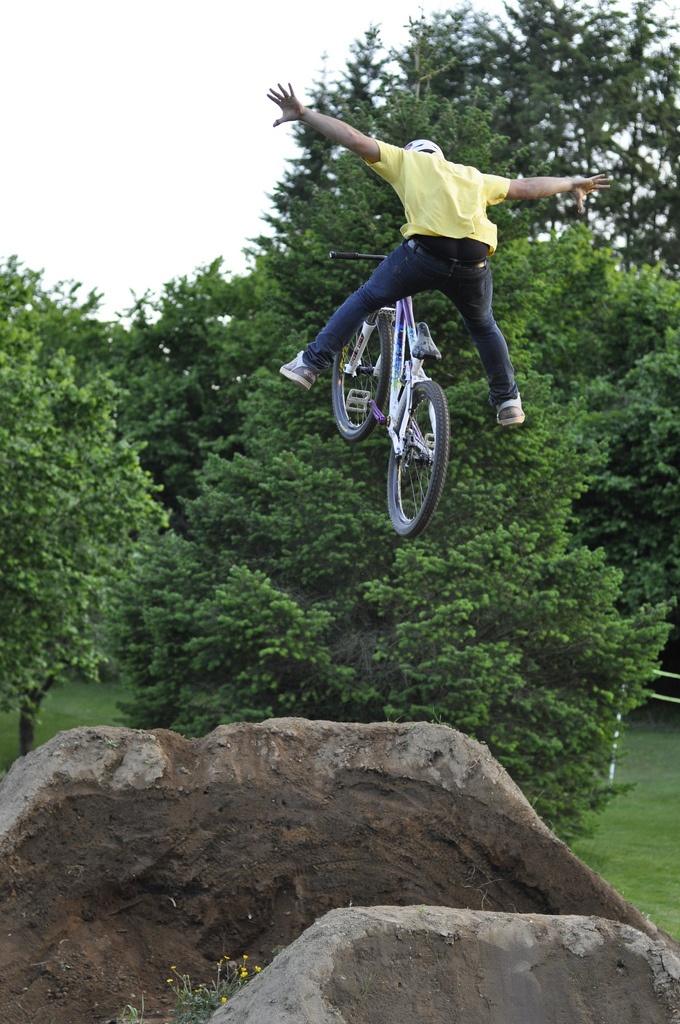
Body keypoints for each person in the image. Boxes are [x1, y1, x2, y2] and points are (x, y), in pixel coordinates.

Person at [268, 83, 610, 426]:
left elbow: (355, 139)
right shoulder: (471, 176)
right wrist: (570, 182)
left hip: (427, 252)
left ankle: (310, 363)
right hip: (474, 261)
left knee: (368, 297)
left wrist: (305, 114)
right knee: (482, 324)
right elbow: (524, 188)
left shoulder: (405, 160)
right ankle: (508, 401)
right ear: (441, 156)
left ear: (414, 151)